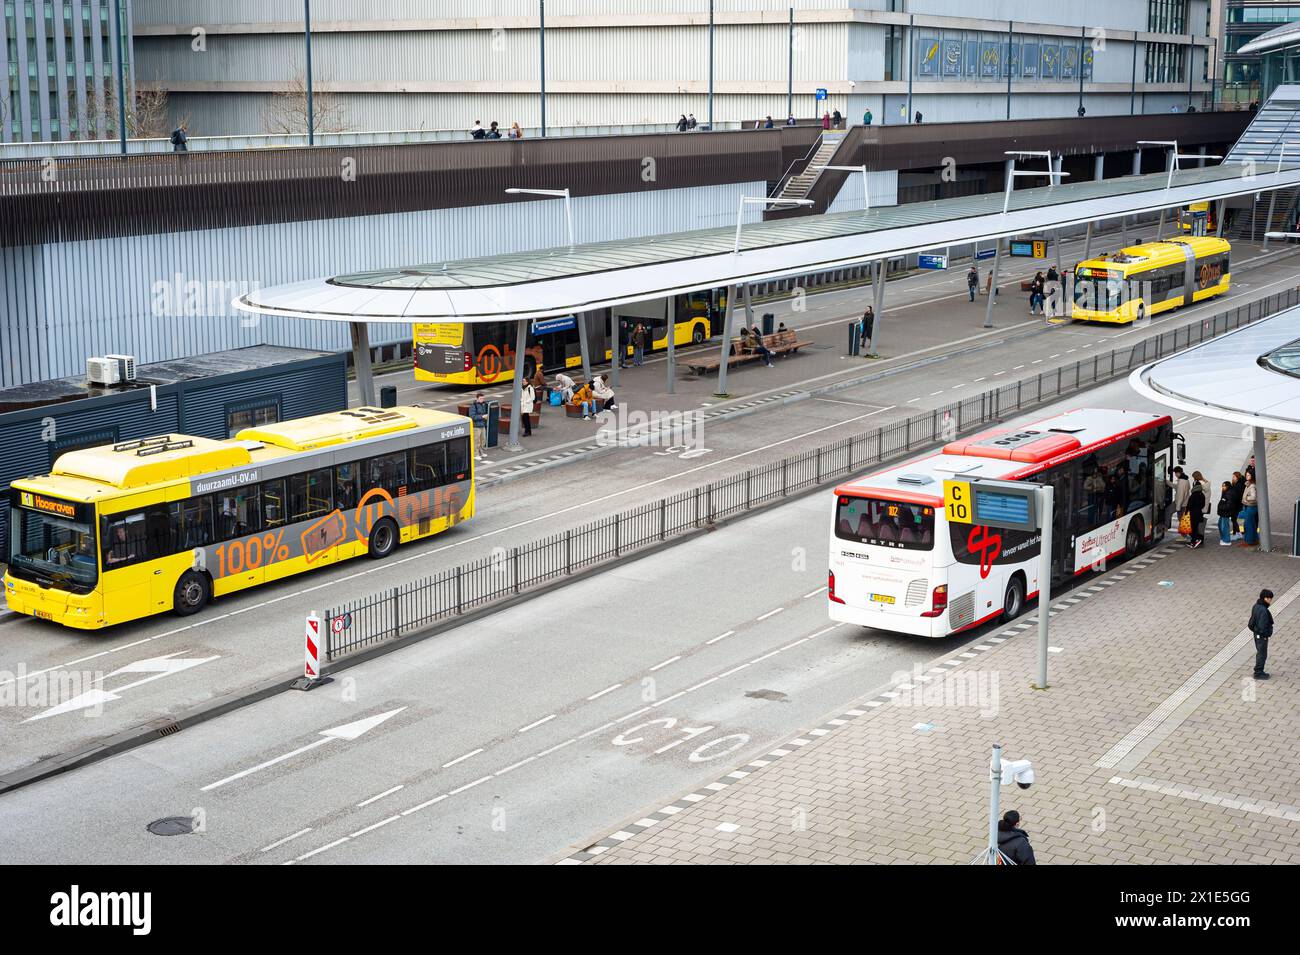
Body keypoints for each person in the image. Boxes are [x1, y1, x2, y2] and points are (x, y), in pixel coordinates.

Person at [1249, 589, 1274, 680]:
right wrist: (1266, 634)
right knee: (1262, 654)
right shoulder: (1263, 610)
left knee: (1260, 652)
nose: (1271, 600)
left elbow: (1252, 621)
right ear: (1265, 598)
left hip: (1256, 634)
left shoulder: (1256, 606)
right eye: (1269, 598)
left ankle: (1258, 671)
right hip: (1262, 636)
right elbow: (1263, 626)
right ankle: (1258, 672)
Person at [469, 392, 490, 460]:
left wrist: (485, 417)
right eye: (481, 398)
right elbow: (472, 416)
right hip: (476, 426)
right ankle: (475, 454)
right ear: (477, 398)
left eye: (483, 398)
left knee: (483, 439)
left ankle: (481, 452)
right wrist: (482, 416)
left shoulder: (483, 404)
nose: (482, 400)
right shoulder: (473, 406)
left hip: (482, 425)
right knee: (476, 440)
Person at [1187, 475, 1206, 548]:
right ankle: (1196, 540)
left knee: (1193, 529)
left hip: (1193, 514)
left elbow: (1189, 505)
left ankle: (1195, 541)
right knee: (1195, 528)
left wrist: (1187, 510)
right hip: (1199, 513)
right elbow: (1203, 505)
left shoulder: (1194, 495)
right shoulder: (1202, 495)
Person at [1241, 474, 1260, 545]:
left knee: (1248, 525)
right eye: (1246, 475)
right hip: (1248, 506)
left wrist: (1245, 498)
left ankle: (1249, 541)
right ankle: (1254, 539)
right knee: (1252, 524)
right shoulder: (1248, 484)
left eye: (1248, 475)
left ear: (1252, 476)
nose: (1246, 476)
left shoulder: (1252, 486)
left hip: (1250, 507)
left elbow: (1253, 497)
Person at [1217, 481, 1235, 546]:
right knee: (1220, 524)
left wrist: (1221, 507)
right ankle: (1223, 538)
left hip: (1225, 513)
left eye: (1224, 486)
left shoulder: (1228, 493)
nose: (1223, 487)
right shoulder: (1225, 492)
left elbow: (1229, 504)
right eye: (1222, 486)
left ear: (1228, 486)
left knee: (1224, 526)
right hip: (1223, 512)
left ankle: (1227, 541)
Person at [1229, 471, 1246, 539]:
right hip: (1236, 504)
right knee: (1234, 519)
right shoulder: (1236, 484)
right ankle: (1235, 532)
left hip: (1237, 505)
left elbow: (1238, 496)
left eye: (1234, 477)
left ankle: (1238, 533)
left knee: (1234, 519)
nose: (1232, 478)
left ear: (1237, 477)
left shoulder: (1239, 485)